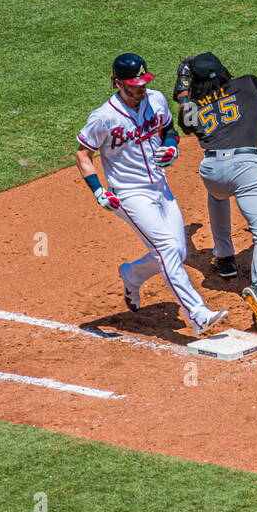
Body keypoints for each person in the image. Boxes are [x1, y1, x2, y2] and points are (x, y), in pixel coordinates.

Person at [75, 52, 229, 337]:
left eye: (143, 81)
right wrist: (99, 192)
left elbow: (169, 129)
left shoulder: (155, 99)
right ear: (118, 83)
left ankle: (131, 274)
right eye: (134, 84)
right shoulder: (104, 117)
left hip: (161, 186)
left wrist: (172, 147)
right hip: (130, 194)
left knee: (178, 251)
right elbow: (83, 154)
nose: (141, 88)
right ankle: (197, 314)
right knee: (167, 250)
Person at [174, 52, 257, 335]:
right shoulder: (248, 84)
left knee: (218, 195)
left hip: (212, 172)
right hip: (247, 170)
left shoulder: (193, 107)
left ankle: (224, 257)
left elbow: (185, 122)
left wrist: (185, 93)